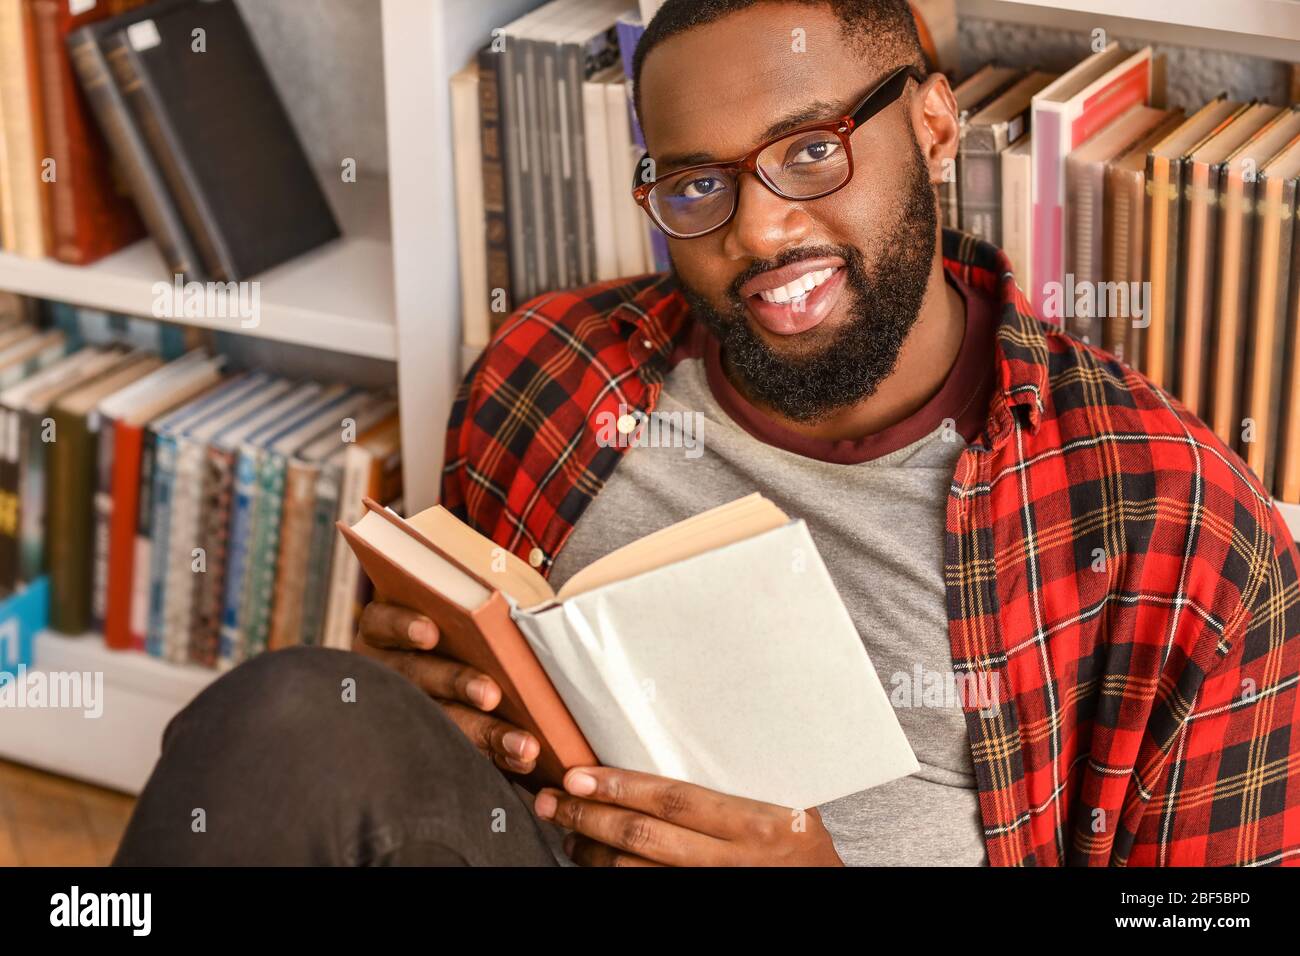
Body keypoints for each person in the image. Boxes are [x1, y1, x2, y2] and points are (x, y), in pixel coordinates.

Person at [115, 0, 1300, 867]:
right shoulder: (551, 376)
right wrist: (419, 698)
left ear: (935, 127)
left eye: (810, 150)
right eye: (696, 186)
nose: (761, 229)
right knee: (293, 715)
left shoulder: (1172, 521)